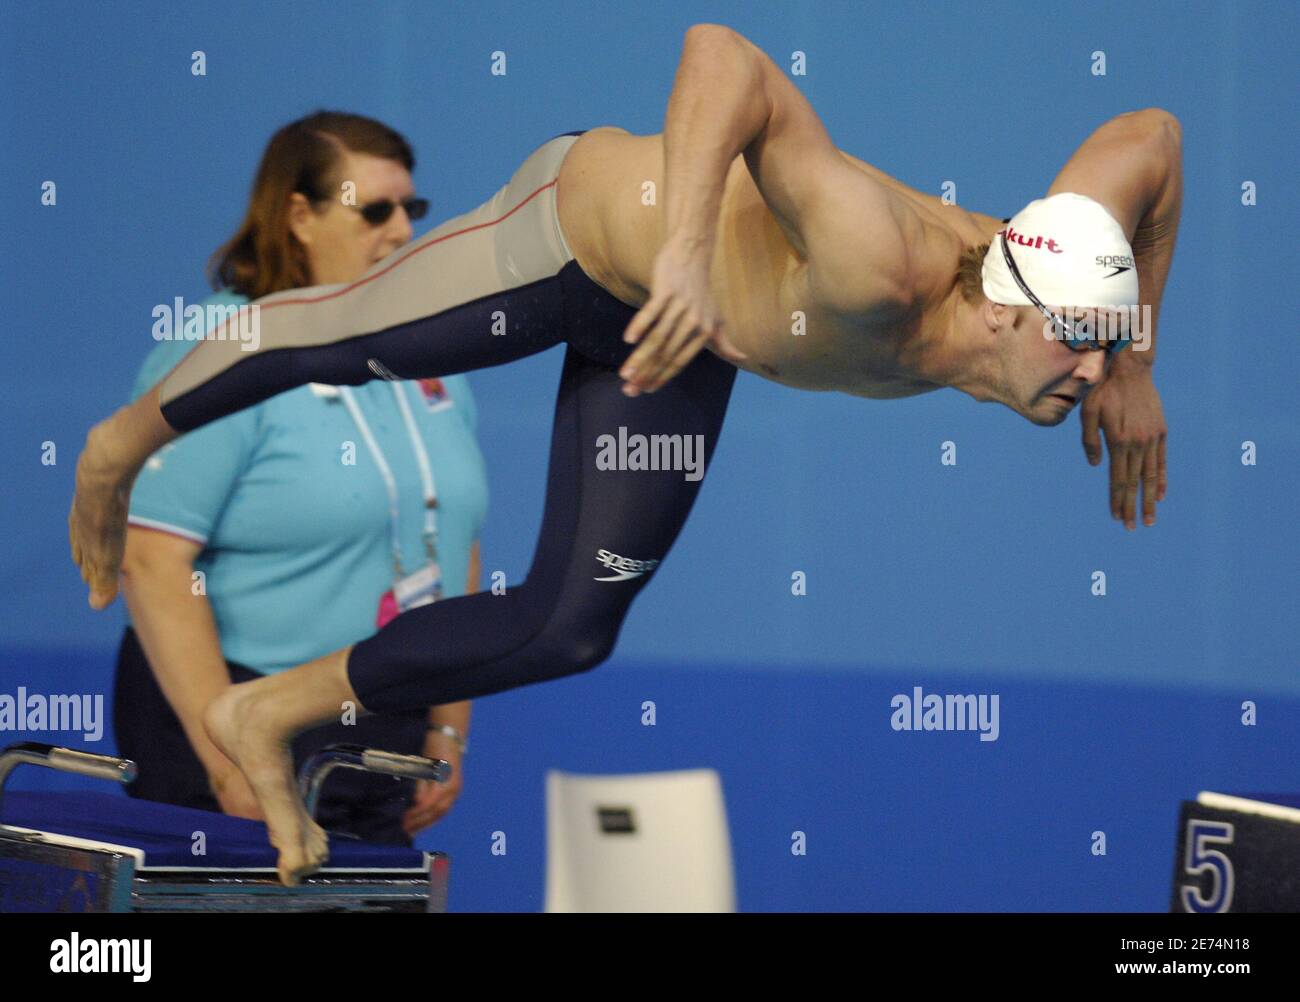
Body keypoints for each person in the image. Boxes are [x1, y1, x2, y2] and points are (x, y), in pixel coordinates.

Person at [69, 23, 1181, 883]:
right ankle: (118, 445)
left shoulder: (1058, 254)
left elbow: (1155, 138)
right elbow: (723, 54)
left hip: (681, 330)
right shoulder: (875, 261)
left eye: (1096, 351)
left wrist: (1135, 360)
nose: (1086, 375)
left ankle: (263, 710)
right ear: (1004, 312)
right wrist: (688, 251)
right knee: (344, 338)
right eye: (1079, 348)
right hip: (579, 238)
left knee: (570, 626)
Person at [116, 111, 483, 843]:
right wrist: (228, 761)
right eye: (375, 210)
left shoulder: (419, 353)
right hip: (238, 724)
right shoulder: (225, 348)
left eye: (412, 208)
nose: (403, 231)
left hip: (382, 730)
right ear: (298, 216)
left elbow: (455, 542)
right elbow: (154, 559)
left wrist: (446, 728)